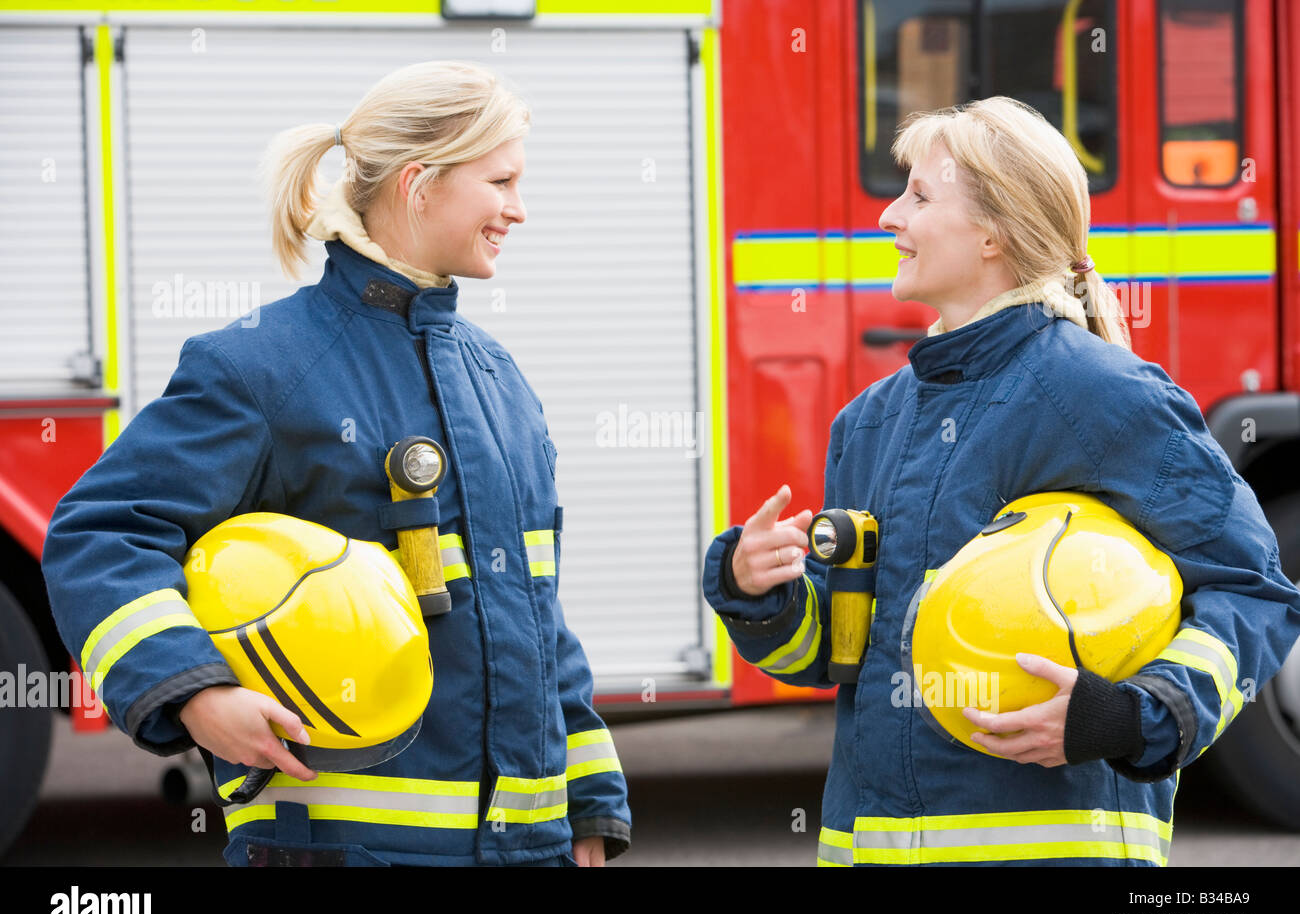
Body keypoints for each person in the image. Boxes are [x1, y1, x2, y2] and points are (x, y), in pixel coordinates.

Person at [42, 60, 631, 867]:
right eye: (501, 181)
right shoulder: (265, 367)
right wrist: (199, 693)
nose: (518, 210)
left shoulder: (500, 382)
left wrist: (589, 812)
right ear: (420, 183)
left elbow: (537, 612)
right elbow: (101, 533)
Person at [701, 96, 1300, 866]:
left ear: (994, 232)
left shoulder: (1102, 396)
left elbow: (1252, 588)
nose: (889, 216)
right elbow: (841, 654)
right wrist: (762, 593)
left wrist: (1130, 717)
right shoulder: (869, 423)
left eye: (918, 196)